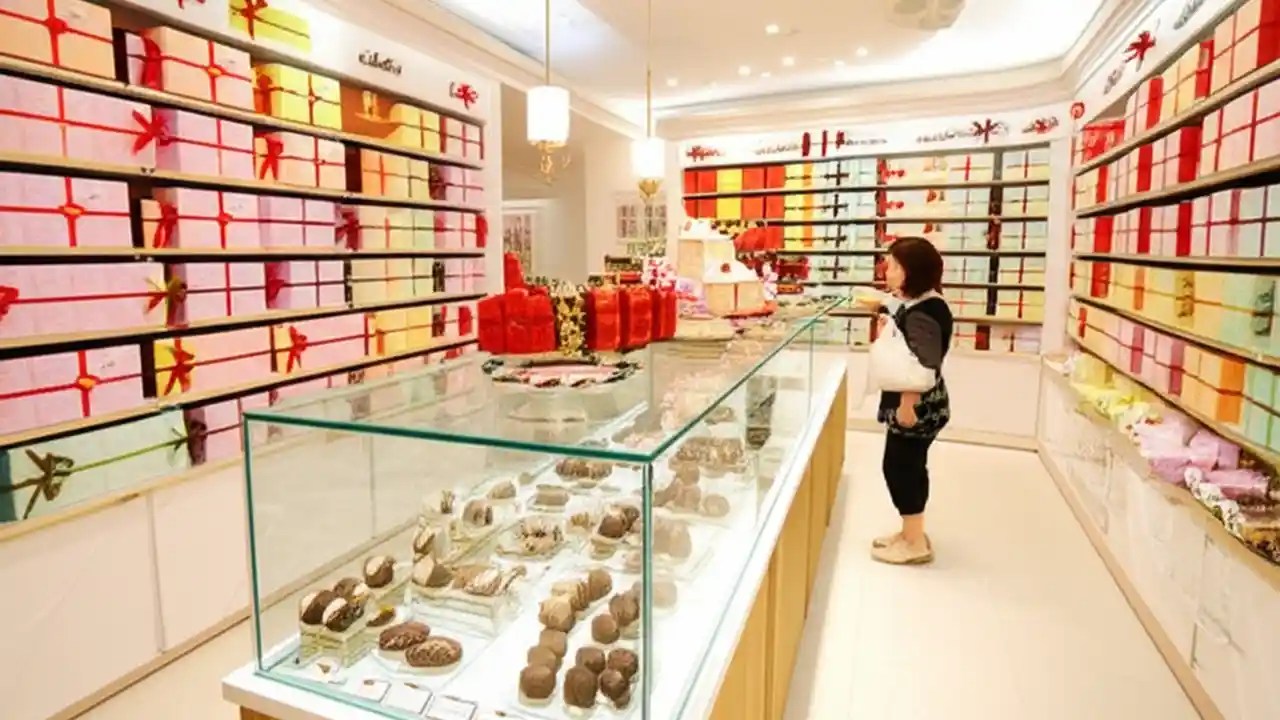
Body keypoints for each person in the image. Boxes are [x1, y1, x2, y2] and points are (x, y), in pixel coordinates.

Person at [862, 236, 953, 565]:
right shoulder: (925, 303)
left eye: (895, 265)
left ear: (912, 272)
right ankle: (910, 532)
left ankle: (914, 542)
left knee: (899, 468)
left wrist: (907, 405)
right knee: (911, 466)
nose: (888, 270)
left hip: (915, 405)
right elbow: (902, 317)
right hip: (922, 402)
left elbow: (921, 366)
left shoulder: (923, 314)